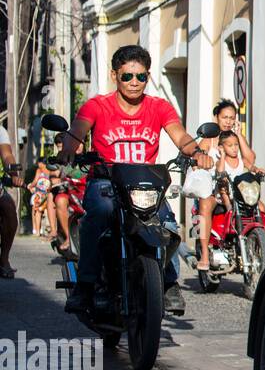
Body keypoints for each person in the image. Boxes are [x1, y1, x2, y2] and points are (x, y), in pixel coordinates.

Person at [56, 44, 214, 316]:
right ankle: (86, 284)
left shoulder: (158, 107)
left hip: (145, 184)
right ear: (114, 75)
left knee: (167, 222)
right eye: (127, 76)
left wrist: (197, 152)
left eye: (141, 77)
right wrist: (68, 149)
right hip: (105, 181)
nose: (134, 83)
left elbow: (181, 136)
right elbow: (76, 132)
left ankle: (168, 283)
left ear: (148, 77)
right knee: (99, 215)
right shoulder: (97, 105)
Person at [193, 99, 260, 281]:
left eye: (232, 118)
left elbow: (250, 159)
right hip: (216, 188)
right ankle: (206, 255)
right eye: (225, 117)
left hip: (236, 189)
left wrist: (239, 135)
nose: (228, 121)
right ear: (217, 118)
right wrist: (200, 162)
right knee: (205, 205)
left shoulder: (235, 139)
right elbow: (197, 156)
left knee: (259, 205)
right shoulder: (210, 138)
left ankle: (256, 244)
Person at [51, 132, 87, 257]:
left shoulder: (93, 157)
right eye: (75, 142)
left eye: (81, 142)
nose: (78, 146)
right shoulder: (65, 159)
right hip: (71, 193)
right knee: (59, 199)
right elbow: (58, 172)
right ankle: (67, 236)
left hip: (88, 191)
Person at [0, 124, 18, 279]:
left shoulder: (0, 131)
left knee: (10, 209)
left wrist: (13, 170)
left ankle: (4, 258)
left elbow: (7, 155)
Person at [29, 161, 55, 239]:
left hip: (44, 193)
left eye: (38, 163)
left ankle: (40, 230)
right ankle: (38, 230)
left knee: (38, 210)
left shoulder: (45, 170)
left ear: (41, 163)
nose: (37, 165)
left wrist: (30, 186)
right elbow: (36, 181)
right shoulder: (44, 170)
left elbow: (36, 181)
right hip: (43, 193)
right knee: (37, 209)